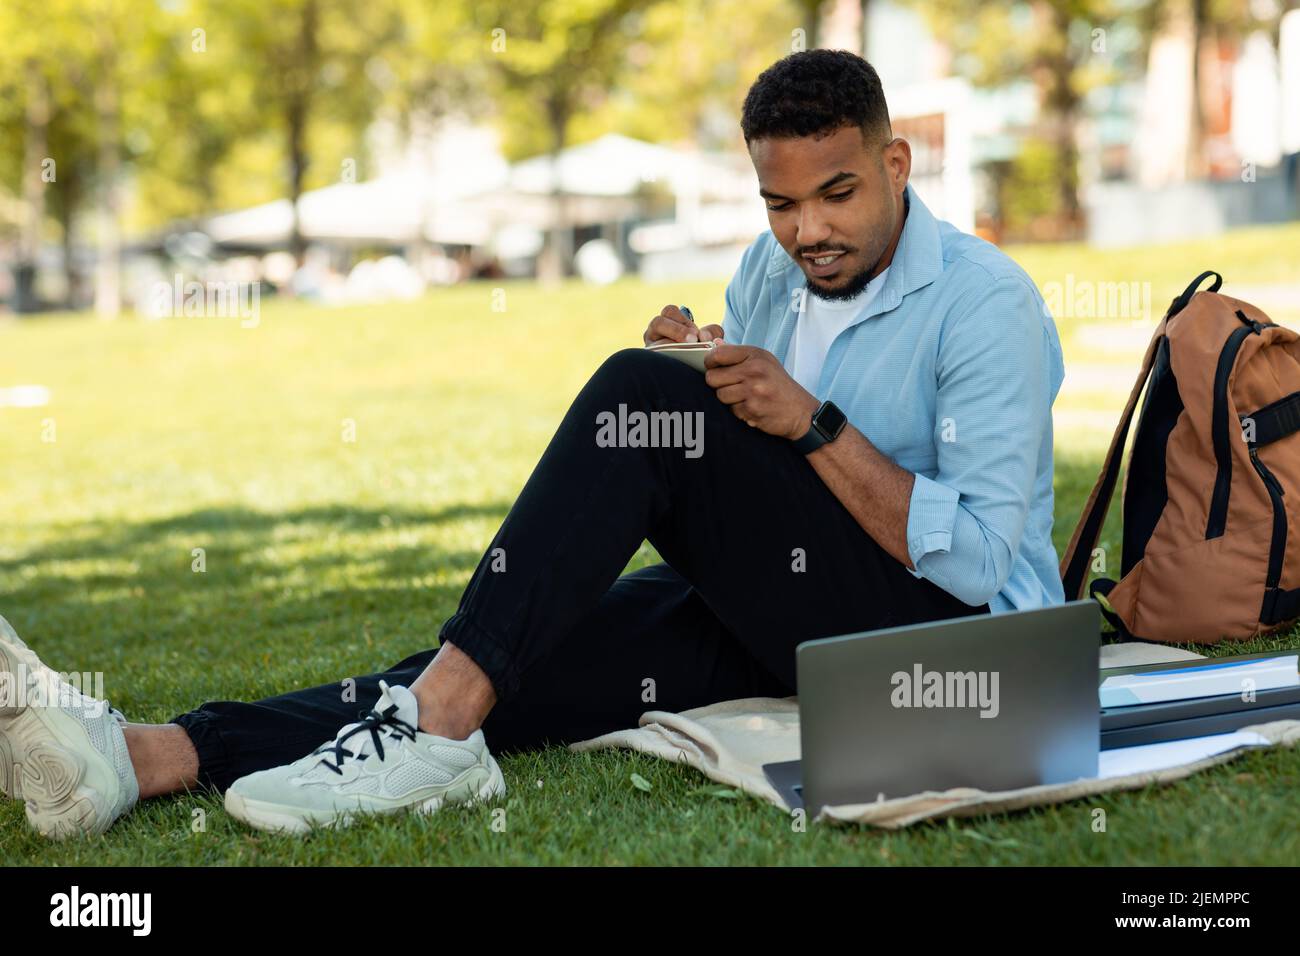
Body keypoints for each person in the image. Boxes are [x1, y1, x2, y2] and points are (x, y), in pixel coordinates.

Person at [0, 49, 1064, 839]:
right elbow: (770, 471)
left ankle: (437, 733)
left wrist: (805, 419)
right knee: (503, 657)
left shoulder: (986, 307)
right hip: (796, 605)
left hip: (952, 654)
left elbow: (973, 562)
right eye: (780, 202)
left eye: (836, 194)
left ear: (895, 161)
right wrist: (715, 376)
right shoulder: (772, 269)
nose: (807, 231)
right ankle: (150, 756)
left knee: (633, 397)